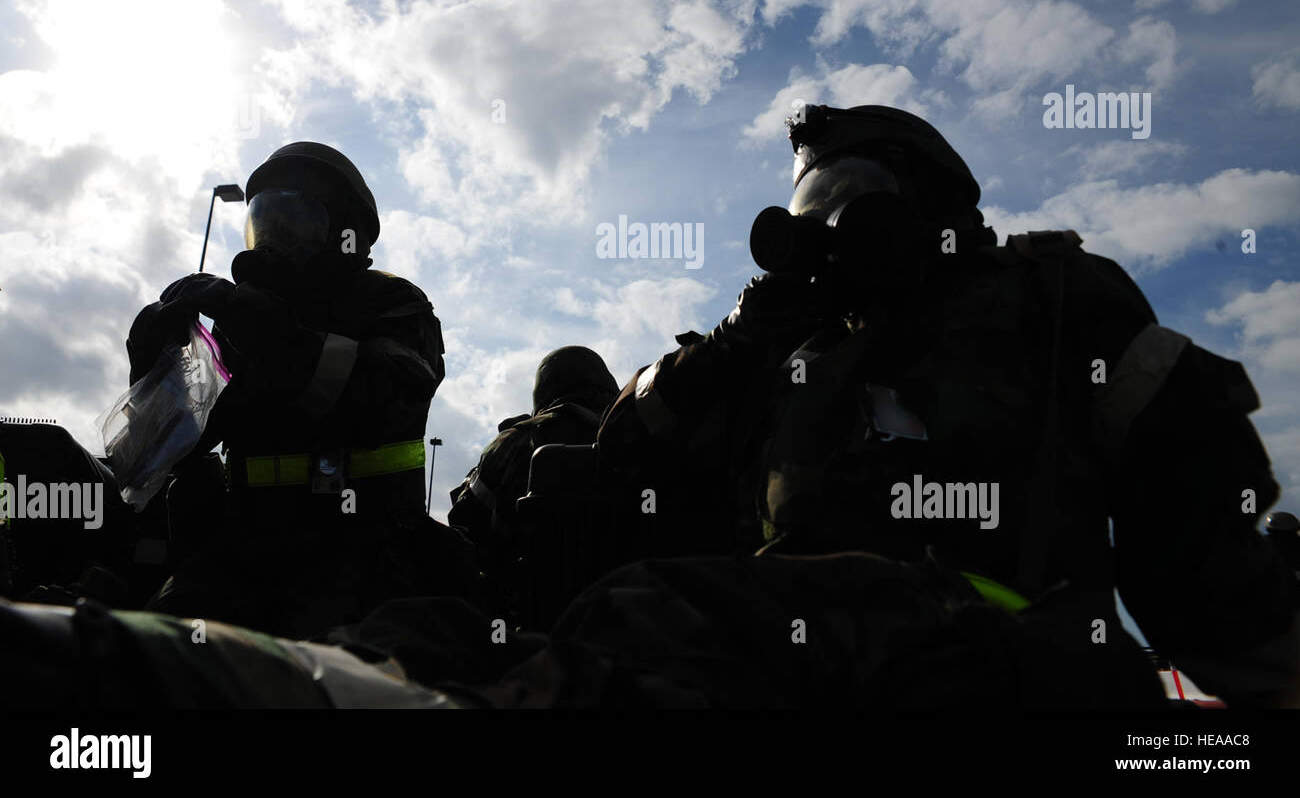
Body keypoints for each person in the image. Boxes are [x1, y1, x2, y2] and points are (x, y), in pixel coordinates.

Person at [546, 102, 1298, 708]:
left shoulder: (1047, 297)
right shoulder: (792, 357)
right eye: (809, 207)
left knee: (646, 616)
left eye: (848, 197)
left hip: (1017, 655)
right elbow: (624, 453)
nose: (824, 229)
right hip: (802, 654)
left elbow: (1198, 545)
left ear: (924, 198)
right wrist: (730, 343)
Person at [126, 142, 480, 638]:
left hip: (368, 547)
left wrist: (265, 330)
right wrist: (154, 366)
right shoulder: (243, 319)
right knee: (151, 651)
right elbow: (159, 454)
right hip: (246, 550)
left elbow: (382, 400)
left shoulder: (392, 303)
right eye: (265, 222)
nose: (275, 238)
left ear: (344, 230)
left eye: (294, 219)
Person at [449, 346, 619, 612]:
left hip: (532, 614)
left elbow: (466, 526)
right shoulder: (635, 436)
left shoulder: (518, 440)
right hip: (636, 608)